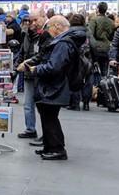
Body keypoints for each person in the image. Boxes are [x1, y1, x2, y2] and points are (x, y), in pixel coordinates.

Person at [18, 15, 77, 160]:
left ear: (57, 26)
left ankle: (57, 149)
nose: (47, 30)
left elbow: (54, 66)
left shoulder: (63, 43)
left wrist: (34, 69)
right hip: (52, 85)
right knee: (47, 116)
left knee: (50, 118)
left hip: (55, 86)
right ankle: (49, 146)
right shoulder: (61, 41)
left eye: (49, 27)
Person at [16, 12, 44, 140]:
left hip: (41, 74)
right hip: (28, 74)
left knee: (43, 106)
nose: (31, 23)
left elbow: (42, 55)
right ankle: (30, 129)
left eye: (35, 20)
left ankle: (46, 134)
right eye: (29, 20)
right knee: (28, 104)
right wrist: (16, 65)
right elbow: (23, 51)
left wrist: (25, 63)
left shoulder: (45, 35)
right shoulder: (27, 35)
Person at [65, 13, 91, 111]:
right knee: (87, 81)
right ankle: (86, 103)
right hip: (87, 59)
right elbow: (92, 45)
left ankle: (74, 103)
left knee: (75, 80)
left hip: (74, 58)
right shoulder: (87, 31)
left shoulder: (69, 32)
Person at [89, 1, 116, 88]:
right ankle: (104, 90)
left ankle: (95, 90)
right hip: (107, 48)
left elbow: (90, 35)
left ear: (98, 9)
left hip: (96, 48)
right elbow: (112, 37)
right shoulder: (111, 22)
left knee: (94, 70)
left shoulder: (94, 20)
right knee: (105, 71)